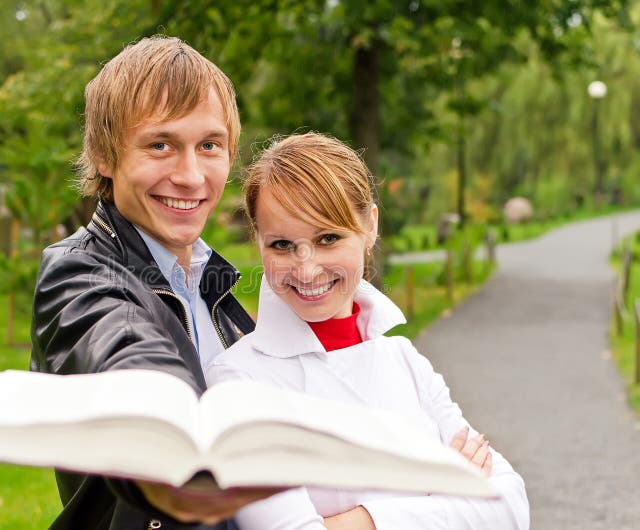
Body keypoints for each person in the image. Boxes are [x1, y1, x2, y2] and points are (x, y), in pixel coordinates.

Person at [206, 132, 531, 529]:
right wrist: (438, 489)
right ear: (258, 241)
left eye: (328, 238)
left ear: (370, 226)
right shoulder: (239, 382)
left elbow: (511, 507)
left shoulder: (405, 361)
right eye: (282, 245)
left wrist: (359, 520)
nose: (306, 269)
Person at [30, 36, 280, 529]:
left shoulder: (215, 287)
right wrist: (170, 426)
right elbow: (124, 347)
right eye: (161, 145)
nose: (190, 176)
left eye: (209, 145)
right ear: (105, 155)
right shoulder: (77, 275)